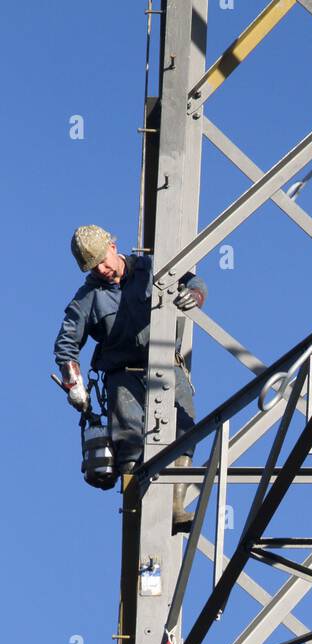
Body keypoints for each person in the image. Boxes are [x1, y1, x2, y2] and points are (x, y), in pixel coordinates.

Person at [54, 224, 208, 532]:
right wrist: (74, 384)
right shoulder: (88, 297)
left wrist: (194, 295)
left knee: (184, 428)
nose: (102, 269)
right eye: (93, 266)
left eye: (103, 259)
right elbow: (66, 345)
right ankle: (140, 513)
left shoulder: (152, 268)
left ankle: (176, 507)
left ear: (113, 245)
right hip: (122, 375)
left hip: (166, 365)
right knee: (130, 442)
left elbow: (193, 281)